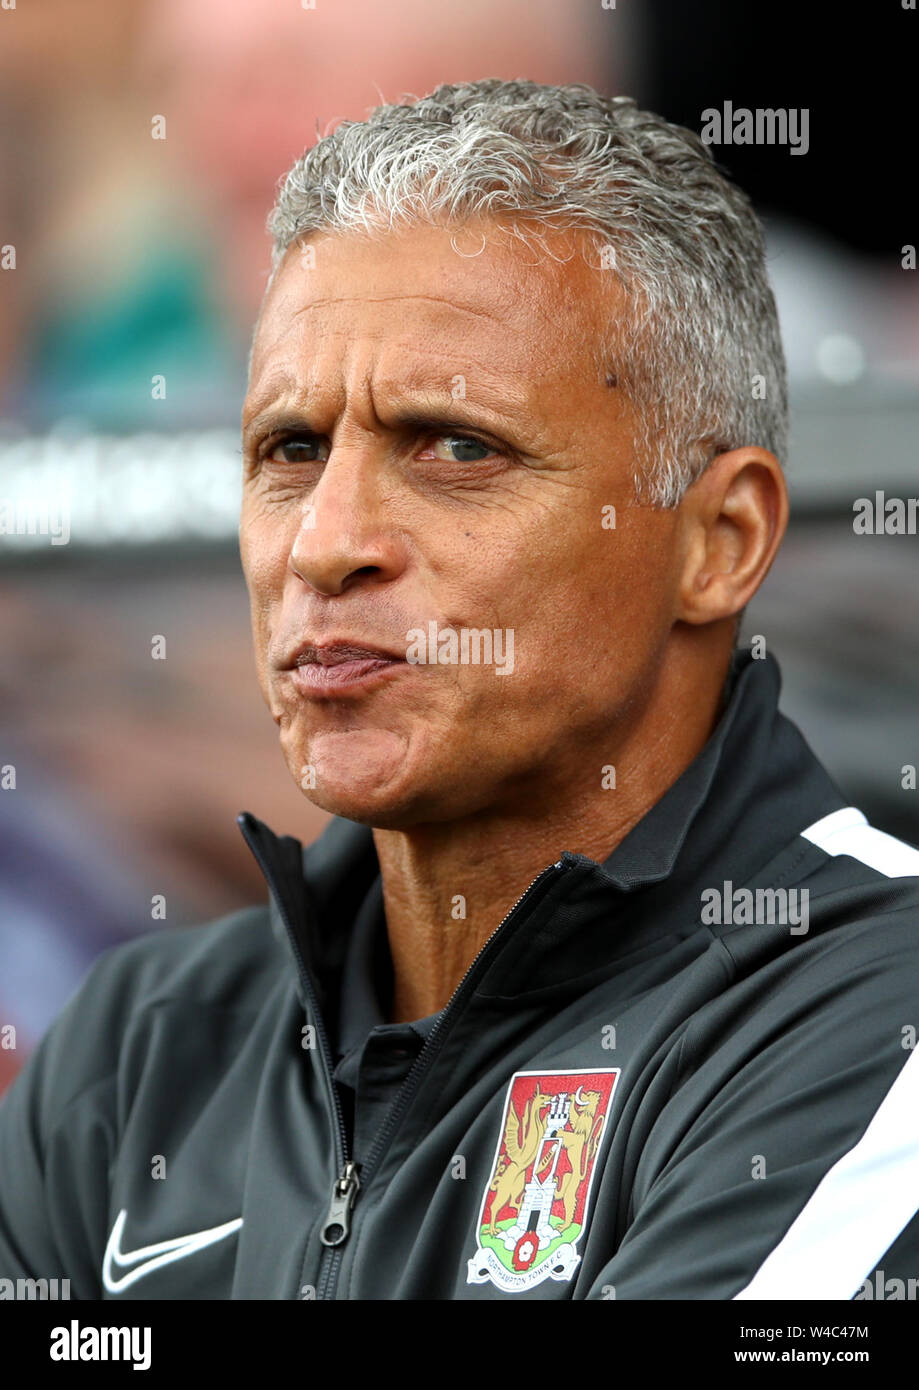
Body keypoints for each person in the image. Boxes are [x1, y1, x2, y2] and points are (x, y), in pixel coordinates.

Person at [2, 78, 918, 1301]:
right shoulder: (138, 1048)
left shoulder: (874, 1006)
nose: (325, 544)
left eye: (455, 447)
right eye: (290, 450)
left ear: (719, 538)